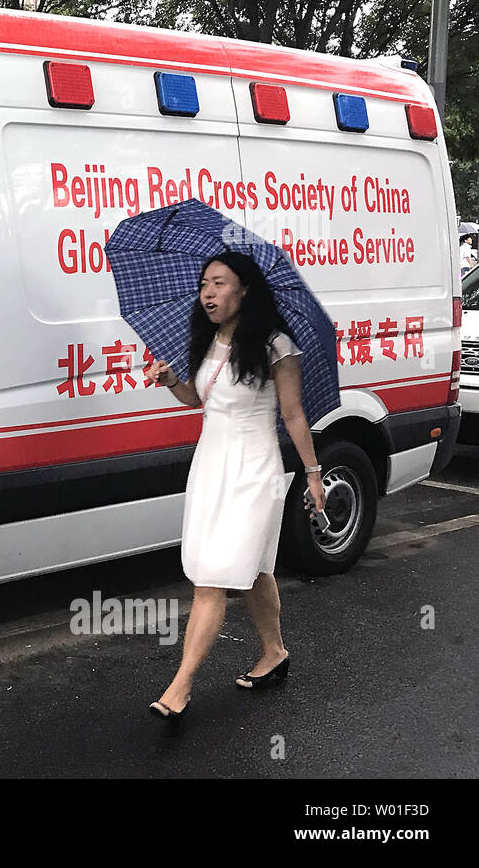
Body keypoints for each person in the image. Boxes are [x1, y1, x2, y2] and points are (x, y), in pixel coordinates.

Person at [142, 250, 326, 722]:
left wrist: (312, 474)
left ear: (245, 290)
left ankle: (180, 686)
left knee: (214, 577)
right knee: (254, 571)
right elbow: (198, 400)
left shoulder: (275, 344)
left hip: (253, 468)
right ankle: (275, 651)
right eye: (205, 283)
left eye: (220, 283)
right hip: (211, 465)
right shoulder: (208, 339)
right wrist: (170, 381)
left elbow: (293, 414)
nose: (208, 292)